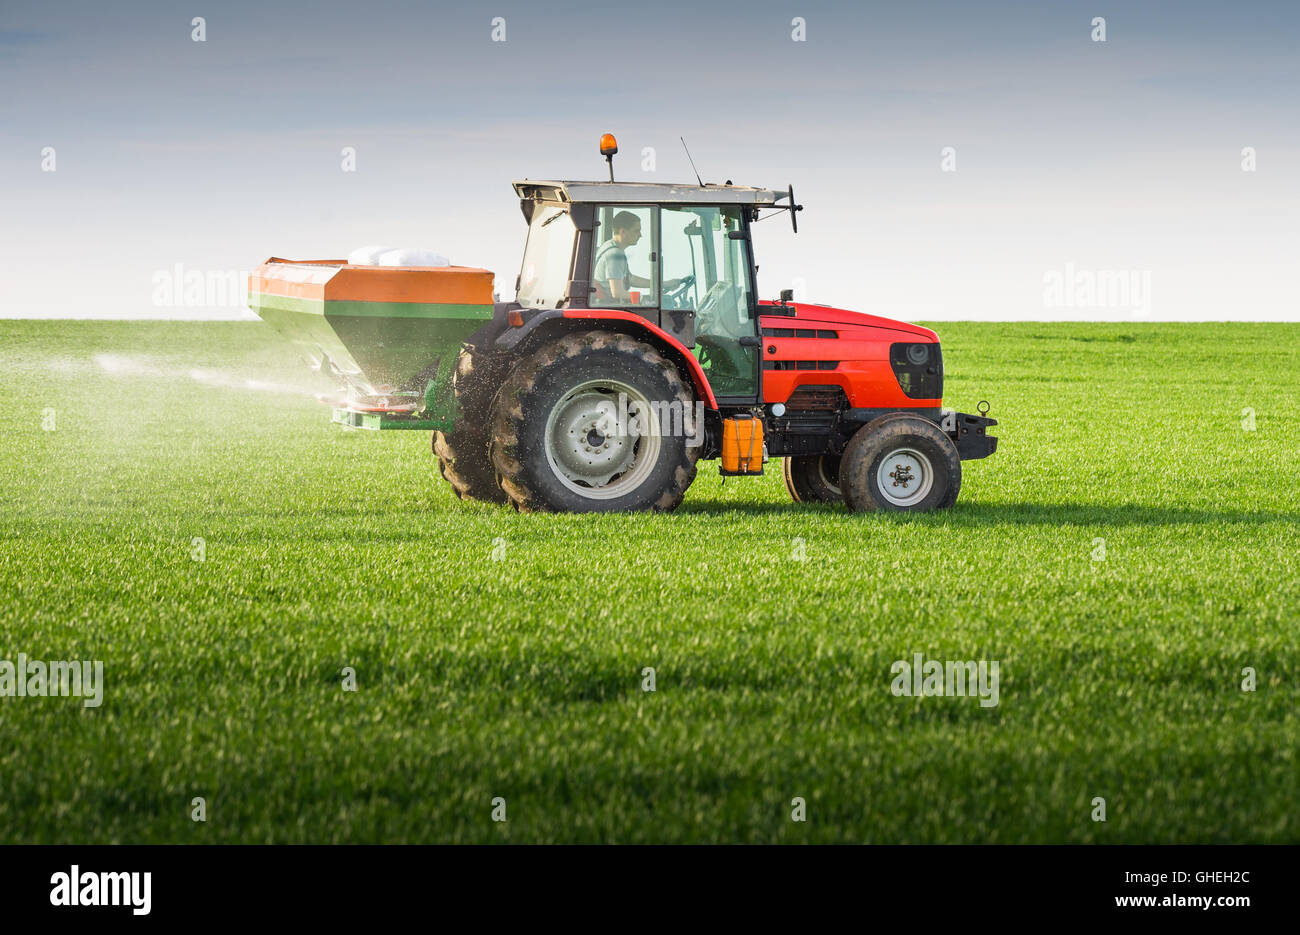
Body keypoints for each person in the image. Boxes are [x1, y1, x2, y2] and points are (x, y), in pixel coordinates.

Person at [592, 211, 682, 304]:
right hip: (610, 303)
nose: (640, 235)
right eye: (636, 231)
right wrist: (641, 298)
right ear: (623, 232)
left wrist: (663, 284)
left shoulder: (609, 247)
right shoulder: (615, 255)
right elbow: (617, 293)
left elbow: (630, 280)